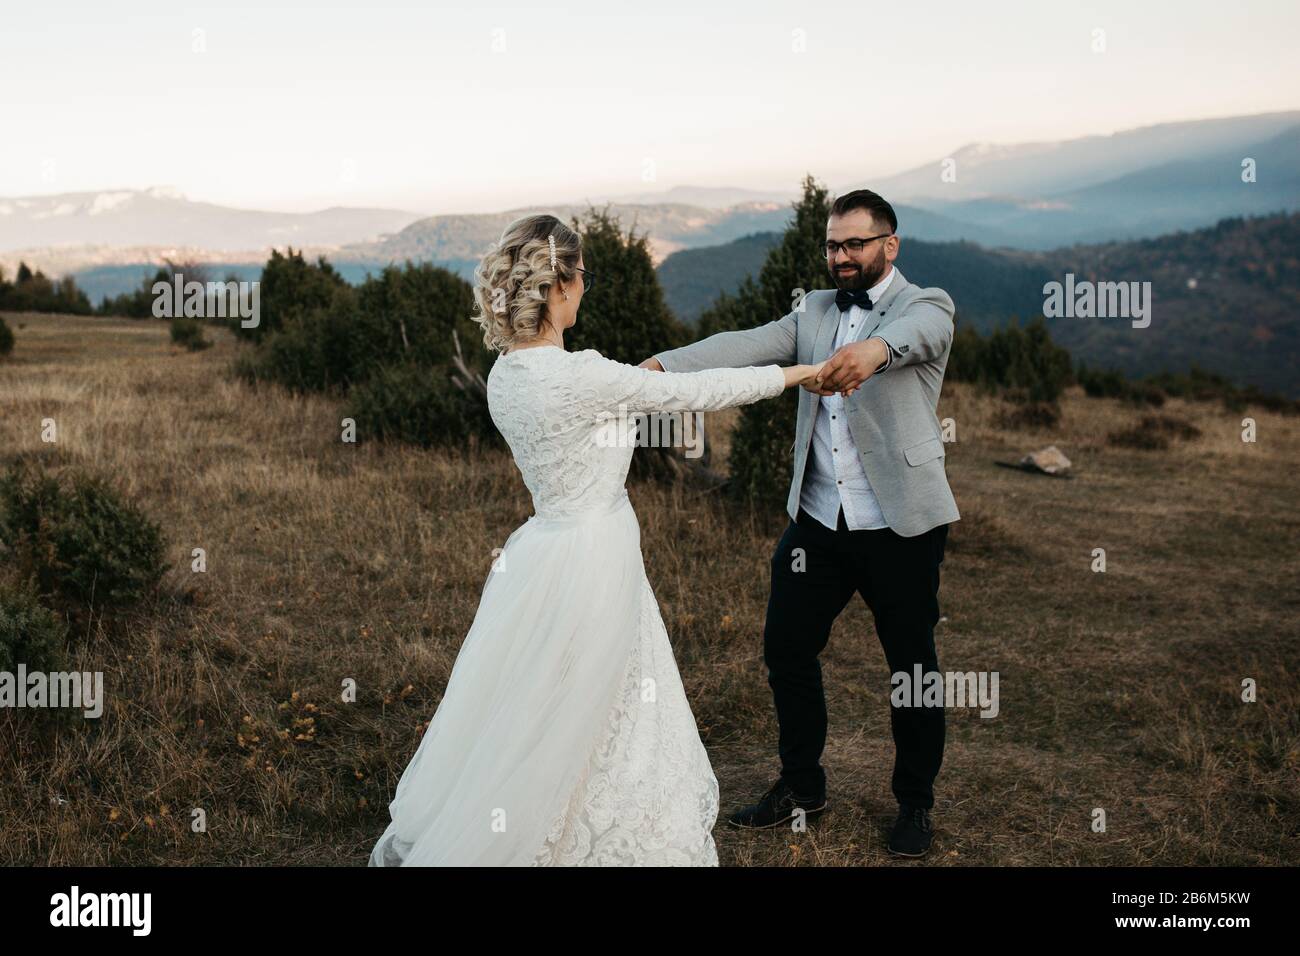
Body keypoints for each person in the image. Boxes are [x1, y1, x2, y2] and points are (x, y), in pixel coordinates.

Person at [369, 213, 824, 866]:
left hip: (545, 547)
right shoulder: (581, 376)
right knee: (603, 699)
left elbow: (603, 418)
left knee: (545, 699)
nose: (584, 289)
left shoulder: (505, 377)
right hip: (595, 556)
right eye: (580, 276)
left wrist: (623, 391)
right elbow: (699, 391)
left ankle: (545, 815)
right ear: (557, 285)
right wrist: (795, 375)